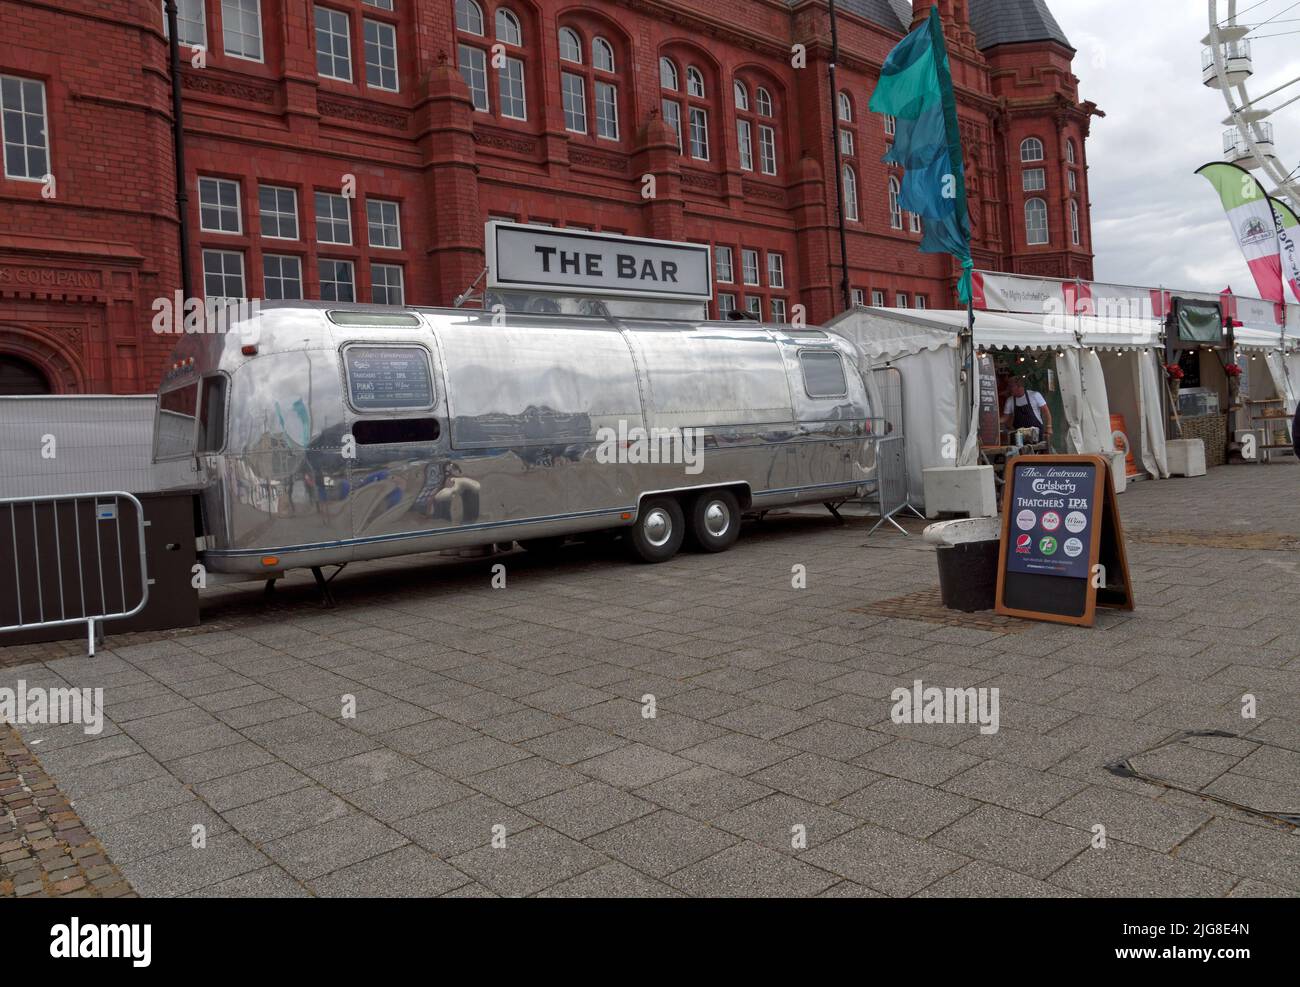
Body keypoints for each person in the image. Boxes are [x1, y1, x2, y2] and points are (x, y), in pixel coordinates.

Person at [1001, 376, 1053, 444]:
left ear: (1019, 386)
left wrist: (1049, 427)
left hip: (1036, 433)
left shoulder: (1035, 395)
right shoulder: (1010, 400)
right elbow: (1005, 418)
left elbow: (1046, 412)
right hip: (1019, 436)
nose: (1009, 389)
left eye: (1011, 387)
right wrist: (995, 422)